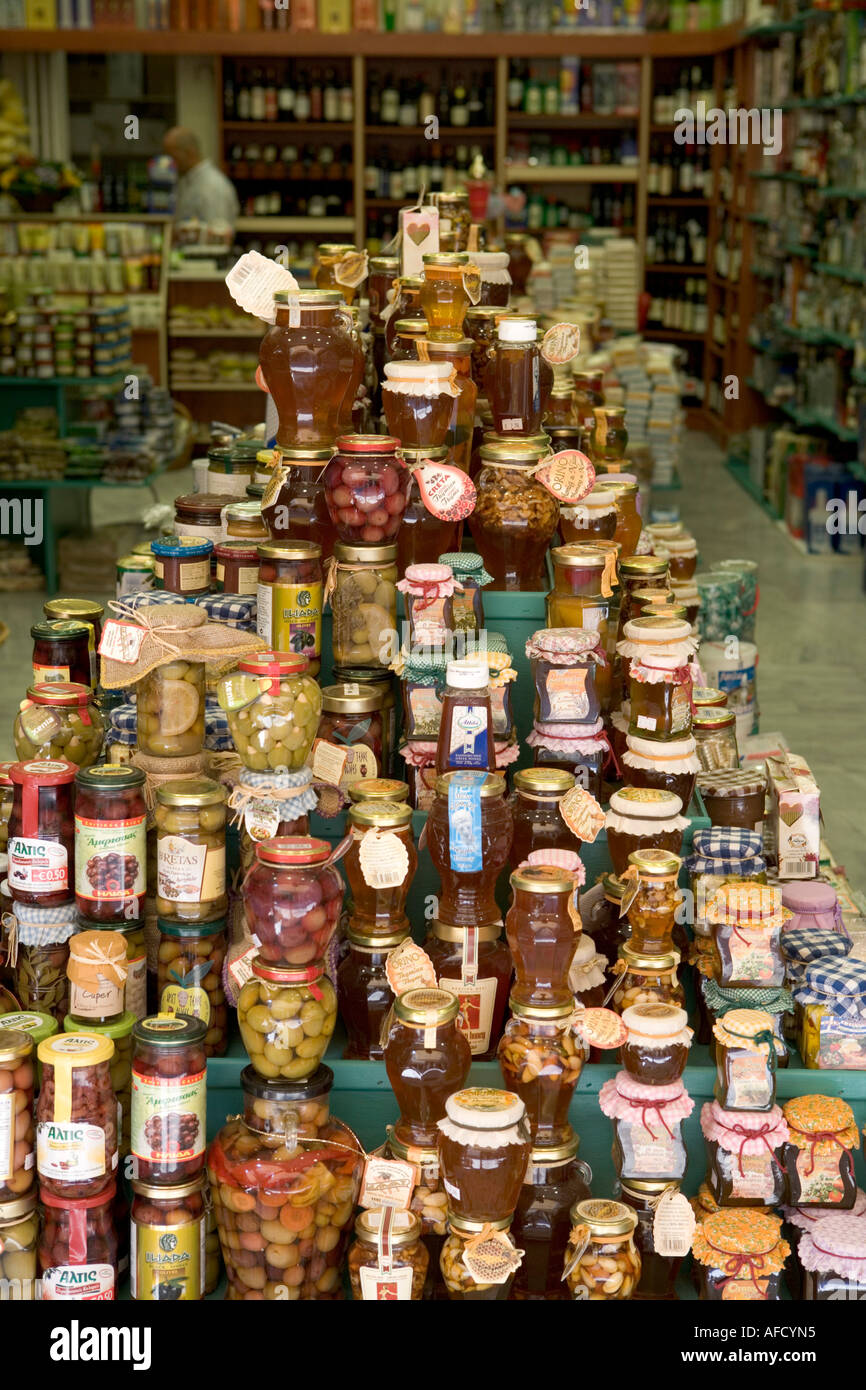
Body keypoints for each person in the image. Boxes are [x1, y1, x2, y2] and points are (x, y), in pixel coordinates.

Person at [163, 127, 240, 228]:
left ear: (189, 153)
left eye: (173, 157)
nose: (170, 163)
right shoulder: (186, 182)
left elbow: (218, 235)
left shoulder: (212, 186)